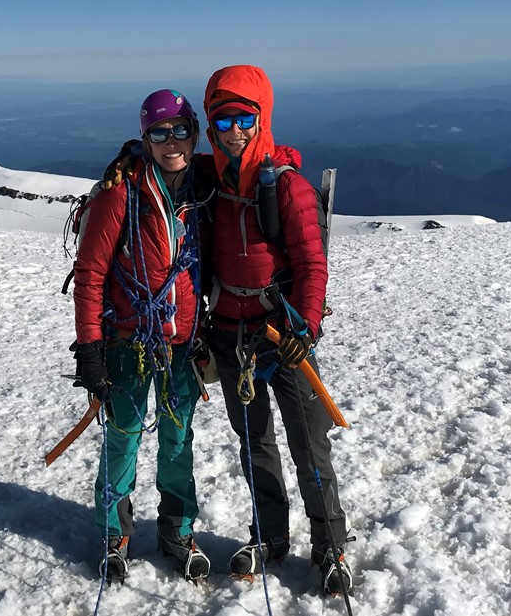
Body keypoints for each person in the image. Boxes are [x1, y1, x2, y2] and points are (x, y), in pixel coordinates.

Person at [200, 65, 353, 595]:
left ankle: (329, 542)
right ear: (211, 127)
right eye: (222, 122)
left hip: (281, 335)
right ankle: (270, 535)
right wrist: (130, 158)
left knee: (309, 441)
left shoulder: (288, 187)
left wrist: (305, 328)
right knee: (255, 443)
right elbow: (165, 166)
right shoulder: (209, 183)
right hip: (230, 335)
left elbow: (312, 264)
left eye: (245, 118)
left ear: (262, 119)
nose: (234, 131)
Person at [71, 89, 214, 584]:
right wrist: (90, 349)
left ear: (194, 134)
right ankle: (115, 535)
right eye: (159, 132)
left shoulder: (206, 186)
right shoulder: (120, 192)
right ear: (144, 137)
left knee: (178, 440)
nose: (171, 141)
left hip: (183, 342)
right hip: (128, 341)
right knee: (124, 439)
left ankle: (177, 529)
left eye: (180, 130)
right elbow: (90, 275)